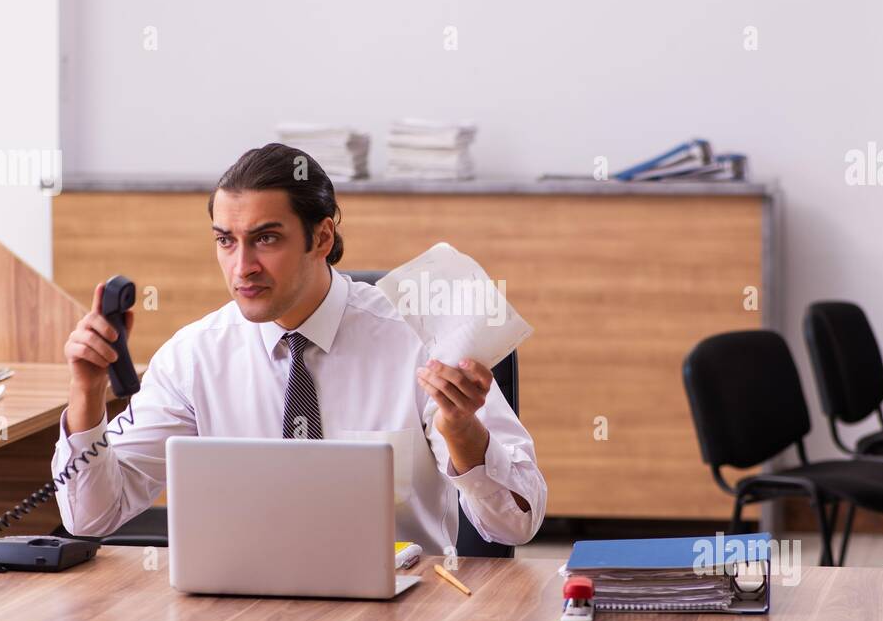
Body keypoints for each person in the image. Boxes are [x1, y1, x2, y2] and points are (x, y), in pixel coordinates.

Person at [52, 143, 546, 553]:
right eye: (226, 241)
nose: (242, 266)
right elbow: (91, 517)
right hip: (238, 613)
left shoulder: (418, 337)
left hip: (397, 620)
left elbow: (517, 524)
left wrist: (462, 433)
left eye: (265, 239)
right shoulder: (194, 356)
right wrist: (88, 393)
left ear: (322, 236)